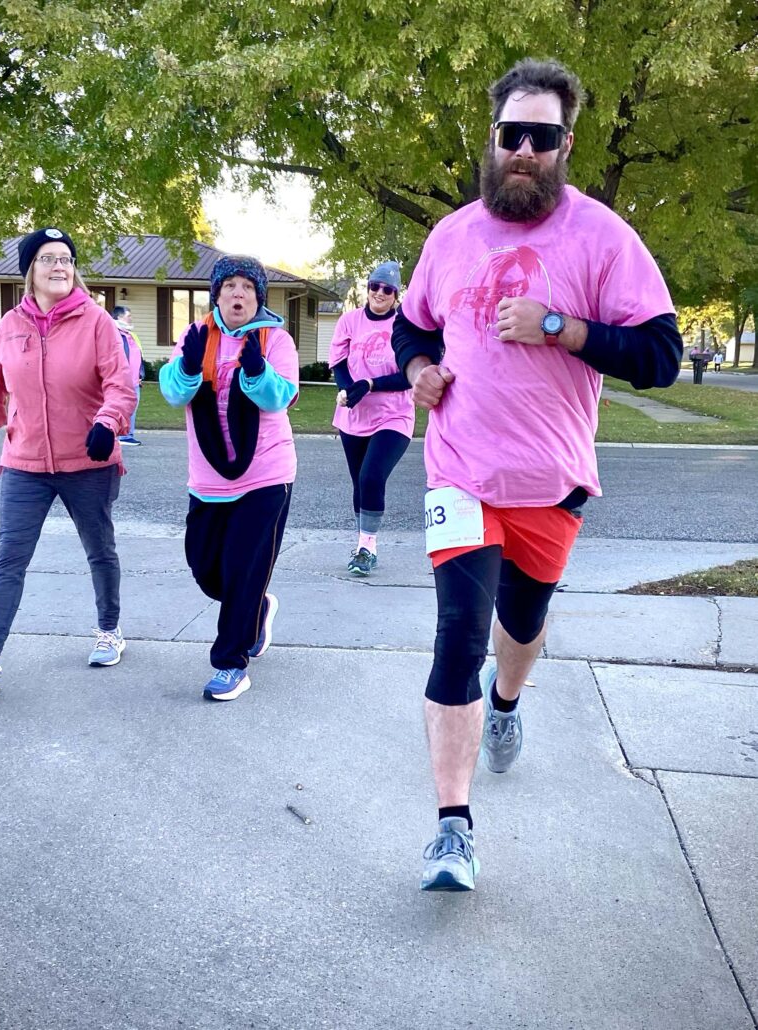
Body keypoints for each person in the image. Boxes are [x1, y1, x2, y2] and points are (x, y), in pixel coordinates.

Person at [391, 58, 683, 891]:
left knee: (518, 630)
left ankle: (507, 702)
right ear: (491, 139)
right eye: (510, 134)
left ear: (565, 146)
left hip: (550, 483)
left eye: (541, 137)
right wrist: (418, 371)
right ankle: (452, 829)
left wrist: (560, 326)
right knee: (457, 636)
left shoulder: (603, 237)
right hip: (459, 474)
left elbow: (660, 356)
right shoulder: (450, 235)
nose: (523, 150)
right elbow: (411, 328)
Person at [0, 227, 138, 696]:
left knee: (99, 549)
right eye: (49, 258)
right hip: (25, 463)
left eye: (66, 259)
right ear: (30, 270)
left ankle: (109, 630)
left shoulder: (97, 322)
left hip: (88, 460)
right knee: (9, 558)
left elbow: (121, 384)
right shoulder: (11, 325)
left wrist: (107, 423)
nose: (59, 266)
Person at [159, 255, 298, 702]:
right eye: (230, 286)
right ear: (216, 294)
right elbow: (172, 392)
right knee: (205, 569)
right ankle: (256, 606)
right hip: (208, 477)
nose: (238, 294)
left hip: (266, 475)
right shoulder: (196, 334)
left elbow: (281, 398)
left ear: (259, 297)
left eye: (247, 287)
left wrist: (257, 370)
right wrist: (187, 365)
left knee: (242, 567)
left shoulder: (276, 340)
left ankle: (230, 663)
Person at [329, 261, 414, 575]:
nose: (380, 293)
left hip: (394, 415)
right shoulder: (349, 321)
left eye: (387, 289)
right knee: (359, 482)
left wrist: (369, 384)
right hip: (354, 415)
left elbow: (410, 375)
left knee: (371, 477)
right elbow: (339, 362)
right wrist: (346, 389)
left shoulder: (404, 326)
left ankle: (367, 547)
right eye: (375, 286)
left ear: (395, 294)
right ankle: (363, 543)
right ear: (368, 288)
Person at [113, 305, 145, 445]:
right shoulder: (113, 333)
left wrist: (140, 375)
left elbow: (139, 356)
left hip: (134, 380)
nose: (131, 318)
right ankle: (122, 436)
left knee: (133, 408)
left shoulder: (132, 335)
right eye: (128, 316)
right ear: (119, 317)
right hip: (121, 379)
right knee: (122, 407)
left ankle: (127, 434)